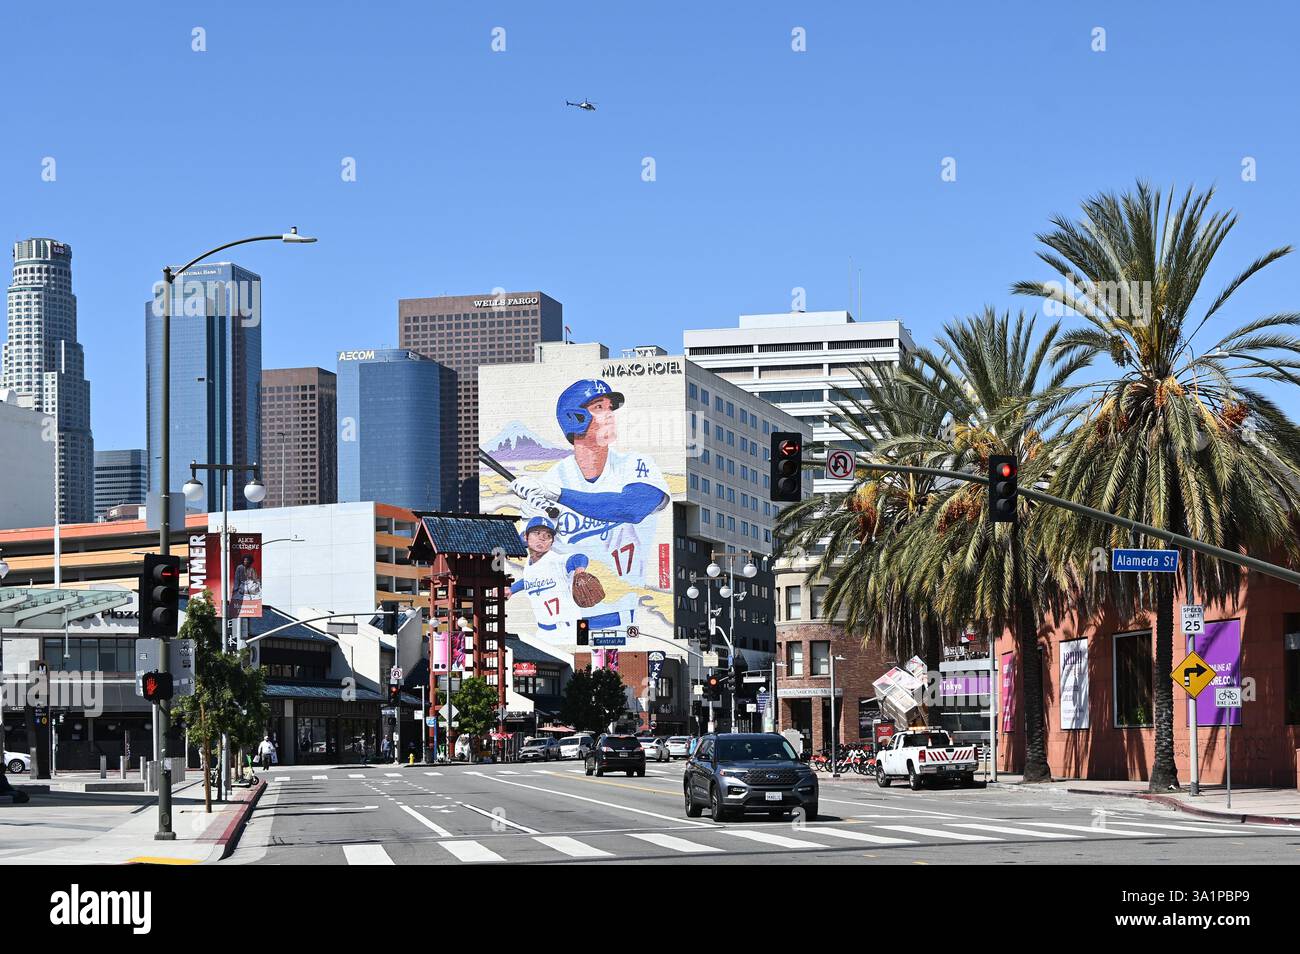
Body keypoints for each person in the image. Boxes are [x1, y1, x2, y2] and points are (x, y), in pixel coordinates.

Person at [509, 379, 670, 593]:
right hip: (565, 613)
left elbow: (632, 508)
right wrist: (531, 522)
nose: (610, 414)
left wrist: (557, 495)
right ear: (575, 418)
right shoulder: (552, 479)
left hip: (624, 613)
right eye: (599, 407)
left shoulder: (635, 464)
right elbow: (530, 553)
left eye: (610, 407)